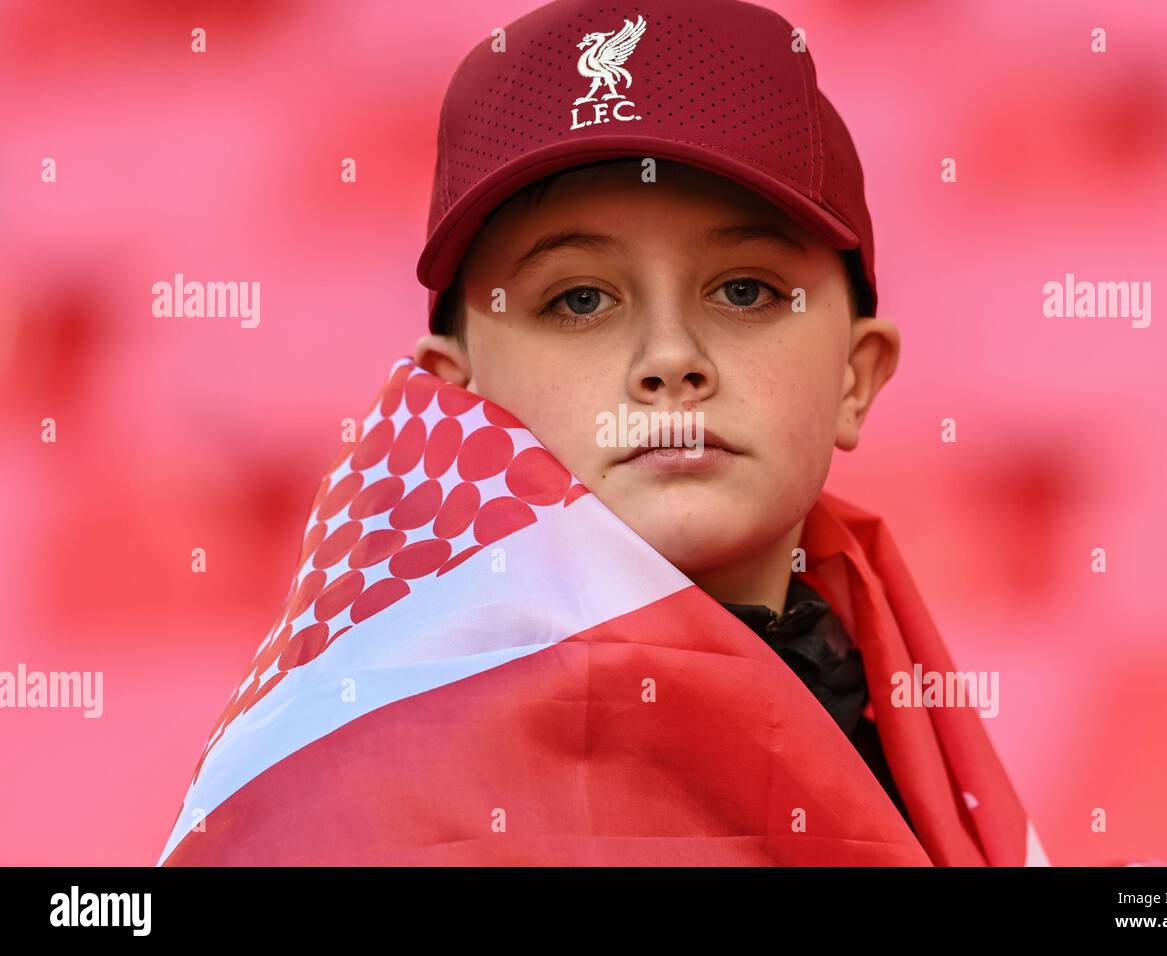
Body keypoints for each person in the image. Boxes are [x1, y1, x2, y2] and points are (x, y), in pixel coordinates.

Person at [158, 0, 1048, 867]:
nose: (669, 359)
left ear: (855, 378)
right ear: (457, 405)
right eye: (578, 299)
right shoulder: (330, 795)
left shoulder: (913, 748)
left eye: (746, 290)